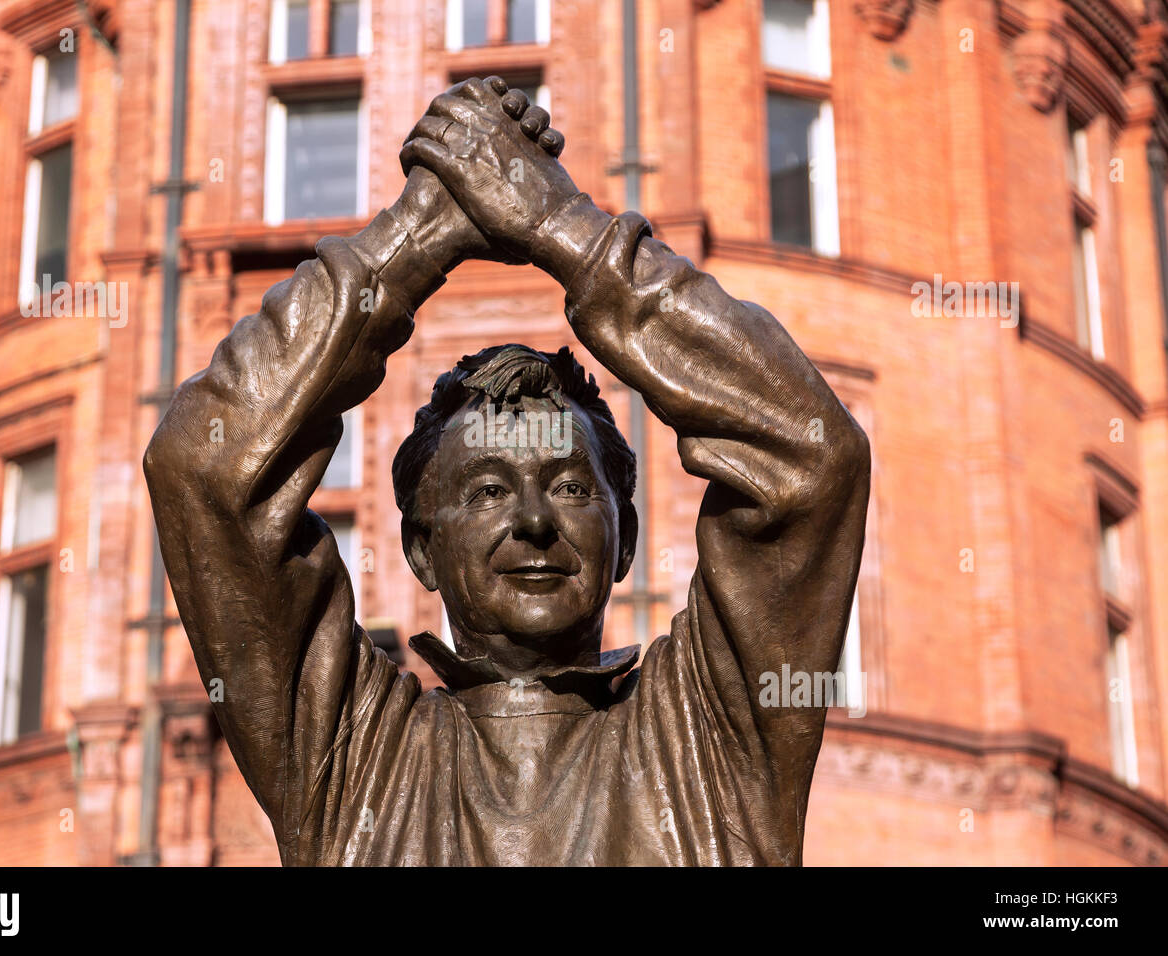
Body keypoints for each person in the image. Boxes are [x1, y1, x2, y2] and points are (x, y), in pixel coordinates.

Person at [144, 76, 870, 865]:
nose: (533, 520)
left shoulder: (710, 744)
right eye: (487, 489)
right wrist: (417, 236)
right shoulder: (352, 767)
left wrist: (561, 227)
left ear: (624, 541)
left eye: (569, 486)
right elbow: (206, 467)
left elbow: (810, 456)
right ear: (422, 548)